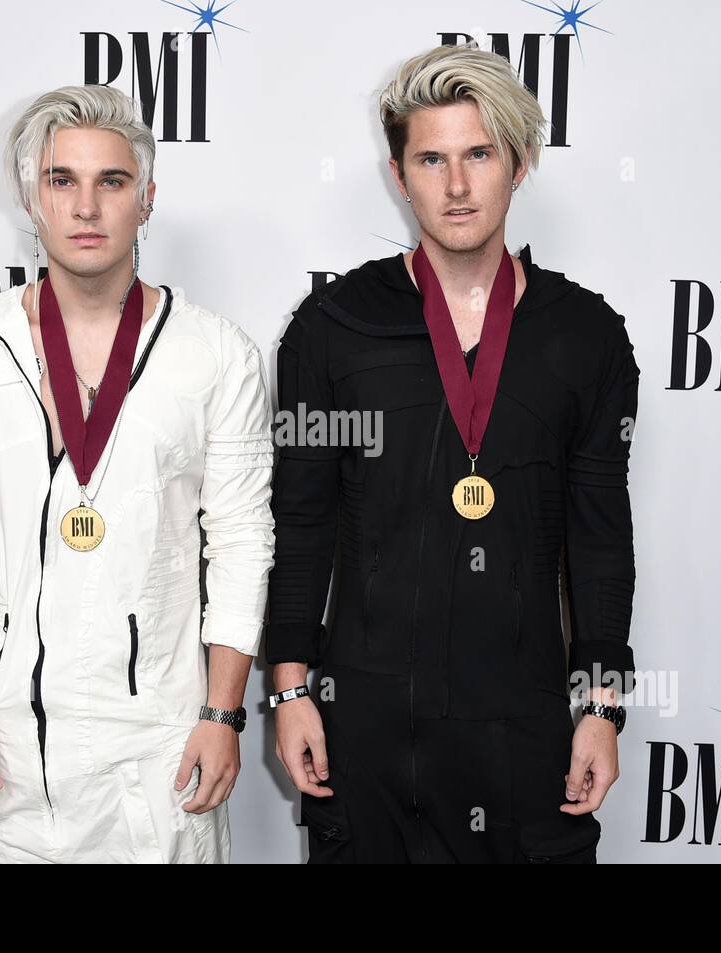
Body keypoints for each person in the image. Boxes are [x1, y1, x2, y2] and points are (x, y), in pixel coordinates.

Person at [266, 44, 640, 863]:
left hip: (530, 732)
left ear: (521, 162)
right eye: (431, 159)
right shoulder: (332, 327)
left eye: (479, 154)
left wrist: (602, 706)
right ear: (399, 176)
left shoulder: (587, 336)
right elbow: (300, 521)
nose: (458, 185)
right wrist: (291, 686)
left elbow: (600, 538)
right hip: (366, 732)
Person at [0, 84, 274, 863]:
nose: (85, 207)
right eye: (60, 180)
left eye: (111, 181)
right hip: (12, 759)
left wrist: (223, 714)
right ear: (29, 199)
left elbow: (241, 542)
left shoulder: (214, 353)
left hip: (165, 752)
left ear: (146, 200)